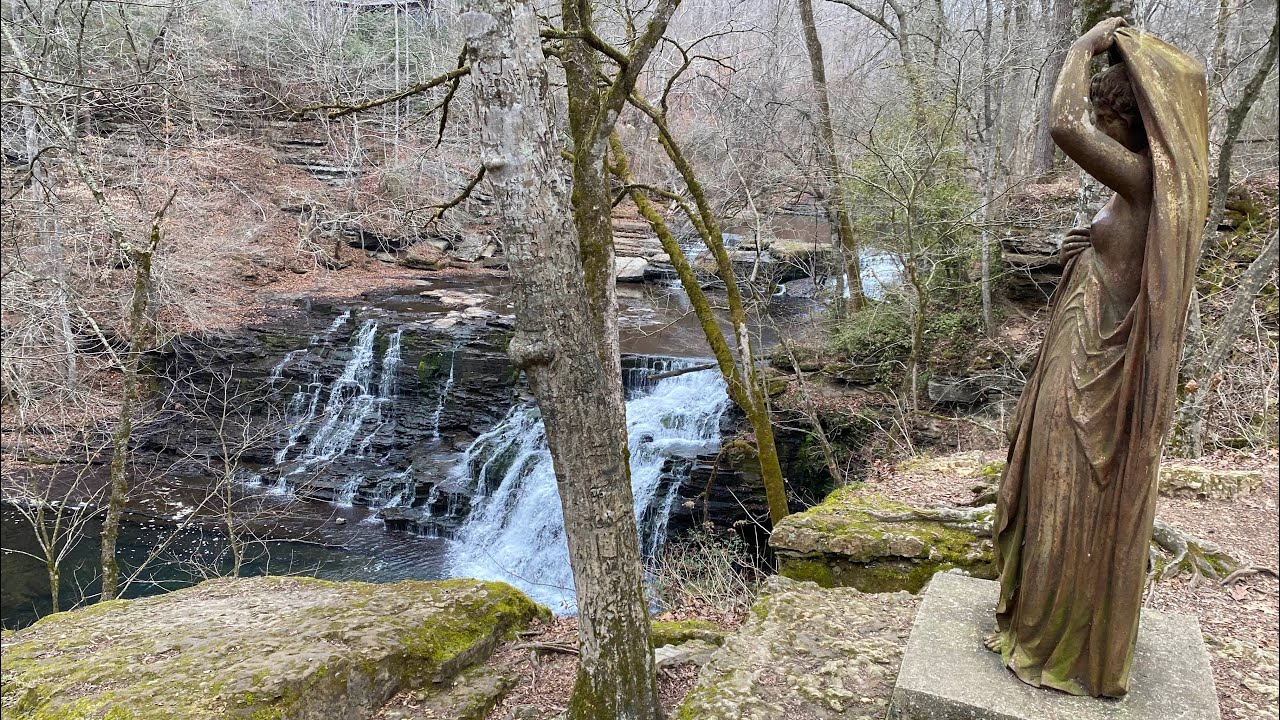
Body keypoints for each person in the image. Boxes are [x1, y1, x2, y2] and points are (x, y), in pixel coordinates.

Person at [987, 17, 1209, 698]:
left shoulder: (1146, 181)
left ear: (1133, 120)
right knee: (1050, 483)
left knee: (1069, 490)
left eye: (1111, 115)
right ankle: (1041, 621)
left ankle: (1058, 638)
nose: (1102, 126)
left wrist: (1082, 49)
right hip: (1080, 349)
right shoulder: (1141, 187)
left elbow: (1063, 125)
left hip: (1094, 371)